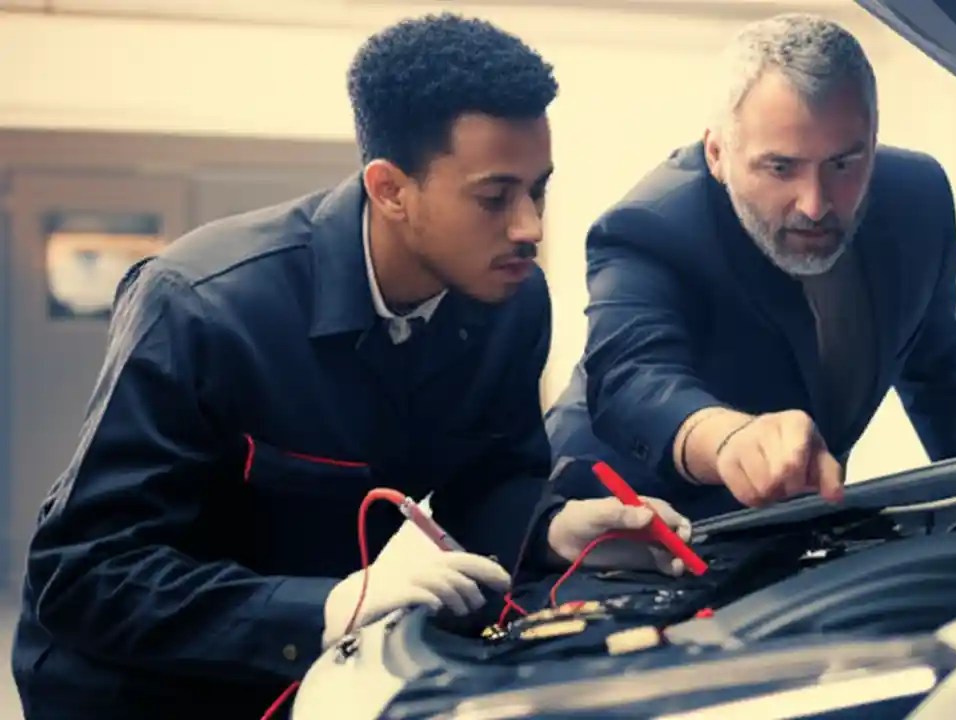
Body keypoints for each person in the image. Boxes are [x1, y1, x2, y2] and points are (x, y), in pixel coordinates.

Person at [10, 14, 691, 720]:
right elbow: (83, 575)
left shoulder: (511, 303)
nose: (530, 228)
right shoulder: (201, 307)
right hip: (132, 692)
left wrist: (555, 529)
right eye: (494, 198)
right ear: (390, 189)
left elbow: (487, 481)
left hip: (327, 680)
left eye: (538, 189)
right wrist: (331, 604)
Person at [544, 13, 956, 521]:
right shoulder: (649, 225)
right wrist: (729, 439)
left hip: (791, 530)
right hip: (616, 523)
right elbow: (630, 378)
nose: (814, 204)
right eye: (781, 167)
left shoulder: (917, 199)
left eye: (843, 163)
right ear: (718, 153)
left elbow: (946, 373)